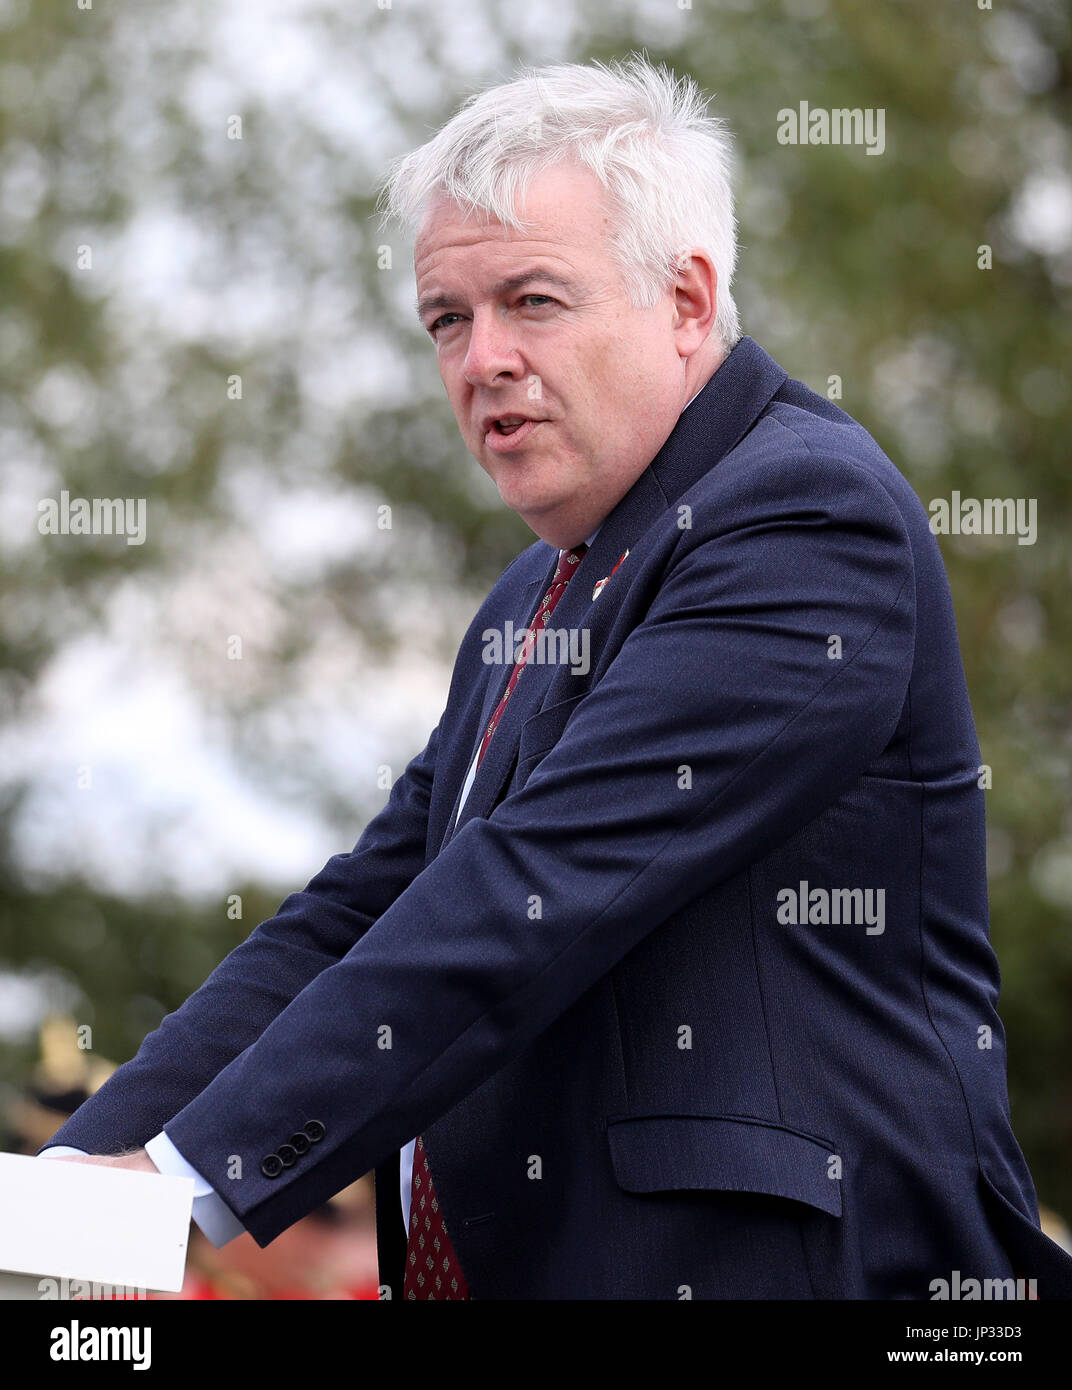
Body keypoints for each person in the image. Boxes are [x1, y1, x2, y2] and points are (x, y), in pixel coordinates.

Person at [39, 55, 1072, 1300]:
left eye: (532, 300)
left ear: (686, 299)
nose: (482, 358)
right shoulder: (532, 595)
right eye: (447, 319)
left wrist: (184, 1179)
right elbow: (360, 912)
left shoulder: (806, 518)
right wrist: (68, 1188)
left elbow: (535, 883)